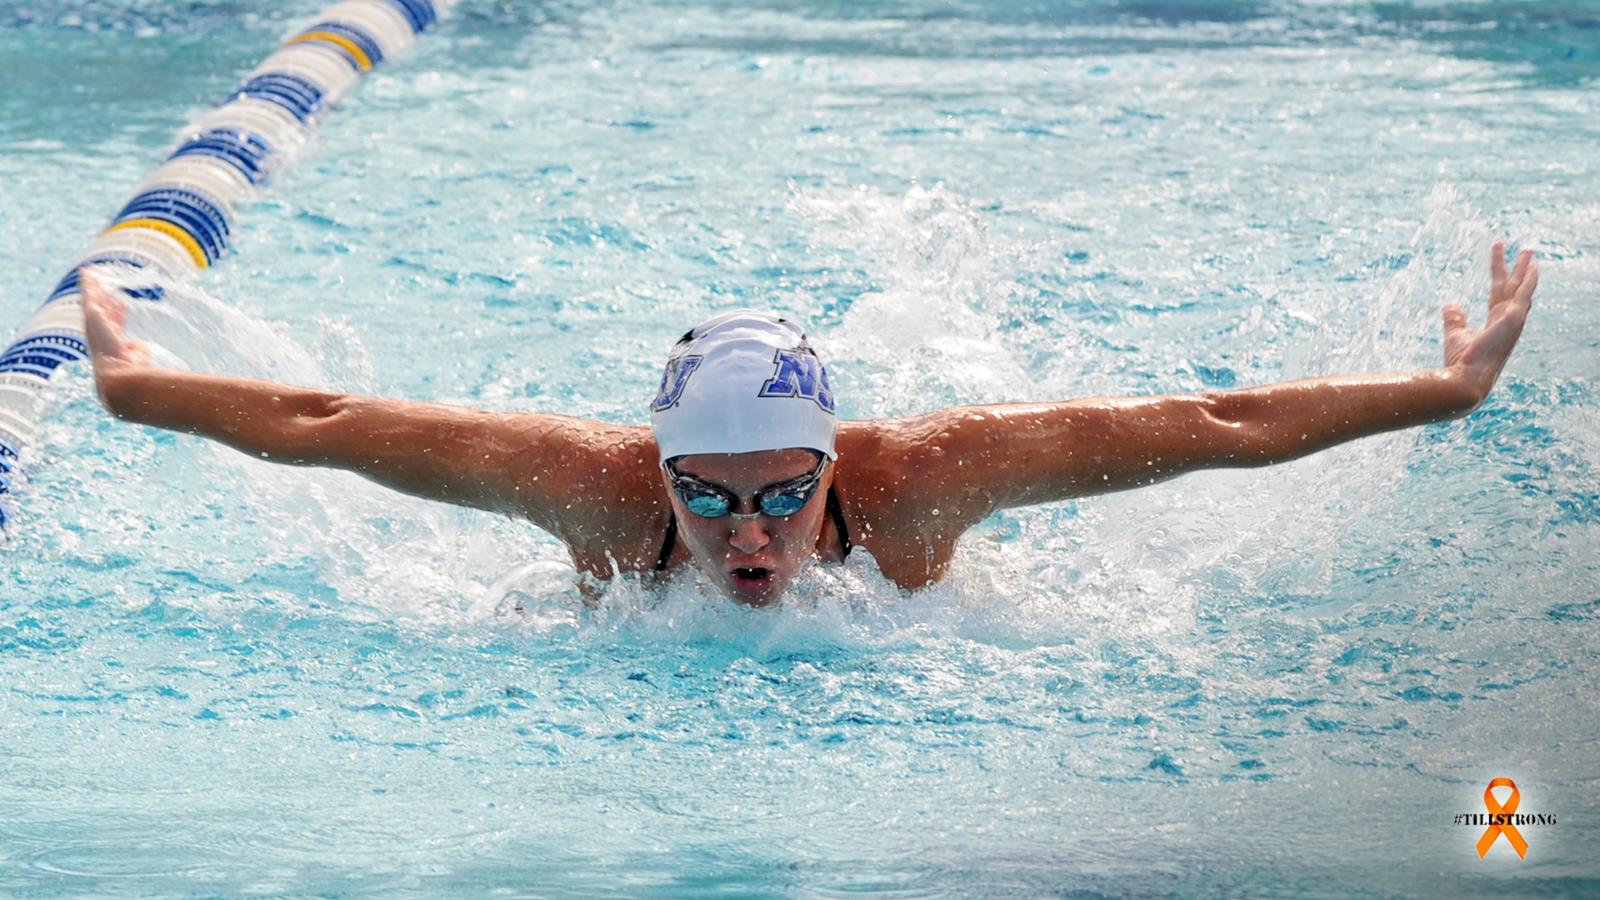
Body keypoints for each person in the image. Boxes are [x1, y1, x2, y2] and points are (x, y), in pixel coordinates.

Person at [79, 243, 1538, 606]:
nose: (750, 534)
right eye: (705, 500)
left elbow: (1210, 423)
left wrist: (1440, 391)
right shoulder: (592, 494)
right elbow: (334, 418)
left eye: (779, 494)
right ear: (659, 475)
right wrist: (139, 390)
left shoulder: (924, 484)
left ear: (833, 465)